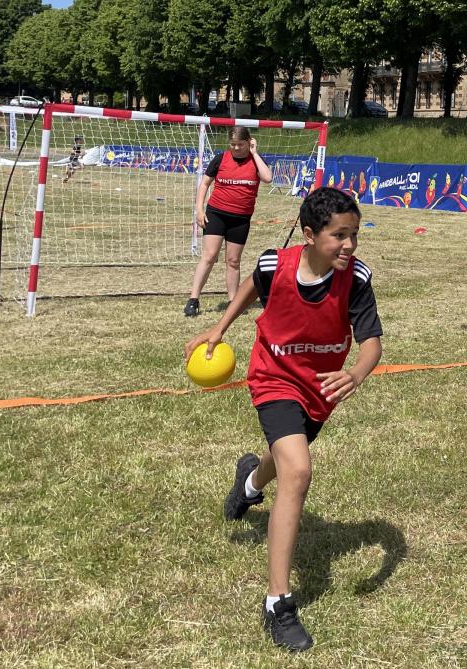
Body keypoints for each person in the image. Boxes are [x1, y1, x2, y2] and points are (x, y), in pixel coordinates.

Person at [185, 187, 383, 652]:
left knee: (286, 457)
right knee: (297, 469)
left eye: (354, 235)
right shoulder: (277, 265)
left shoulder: (356, 279)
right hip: (273, 377)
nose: (349, 245)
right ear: (310, 235)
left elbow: (372, 342)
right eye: (339, 236)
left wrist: (356, 372)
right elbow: (252, 285)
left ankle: (249, 483)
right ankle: (278, 602)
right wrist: (219, 327)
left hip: (319, 388)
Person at [185, 127, 273, 317]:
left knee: (233, 261)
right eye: (233, 144)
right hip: (216, 214)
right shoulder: (221, 159)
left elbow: (268, 178)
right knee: (209, 256)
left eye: (240, 144)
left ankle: (234, 302)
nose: (236, 148)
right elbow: (205, 184)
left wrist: (254, 153)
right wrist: (199, 209)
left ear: (249, 142)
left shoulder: (255, 161)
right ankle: (193, 299)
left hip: (240, 219)